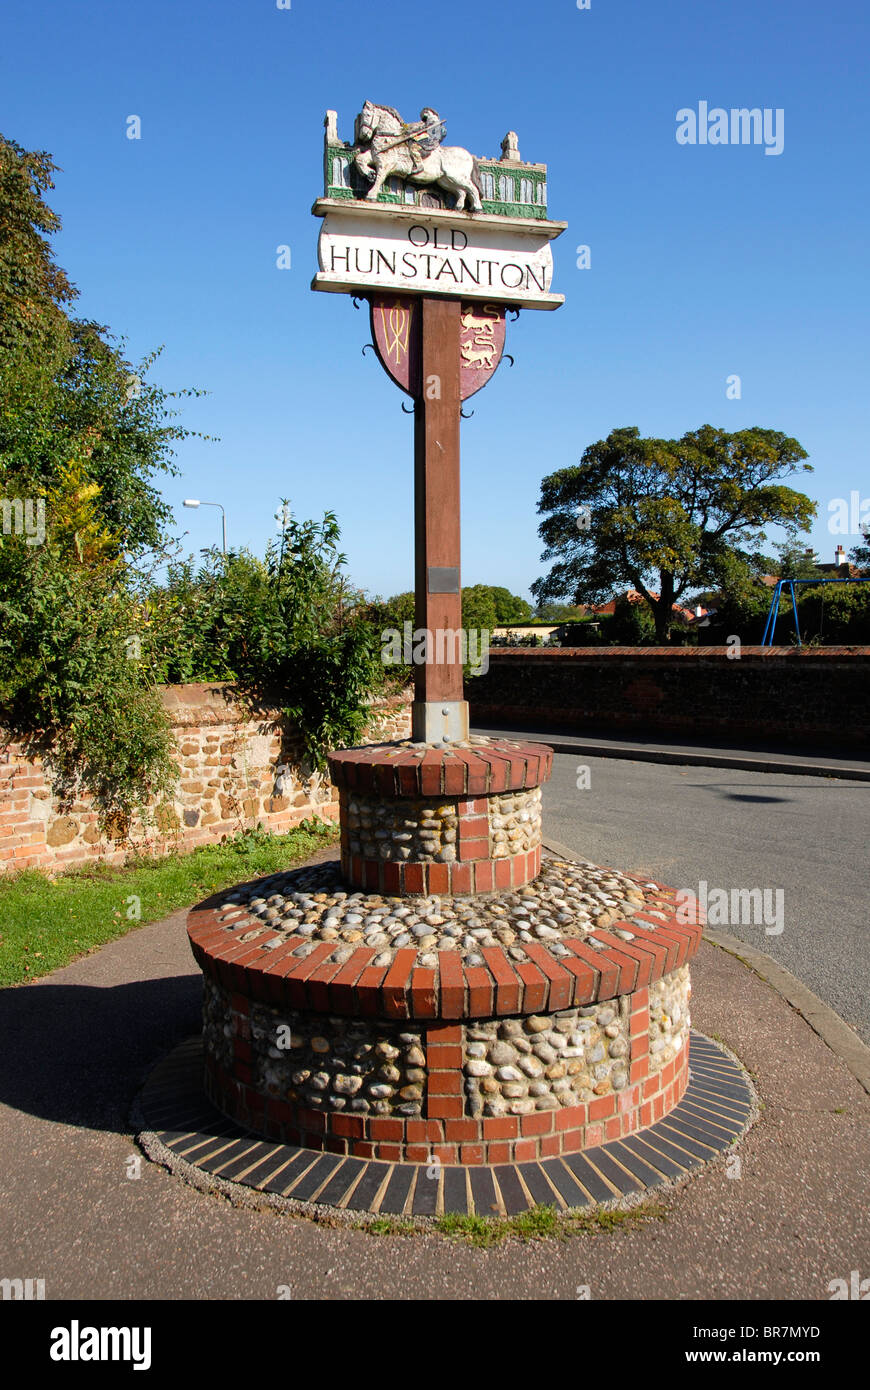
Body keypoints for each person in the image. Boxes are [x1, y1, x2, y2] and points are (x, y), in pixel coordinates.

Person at [406, 108, 445, 175]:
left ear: (433, 113)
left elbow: (437, 133)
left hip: (431, 141)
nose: (426, 113)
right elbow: (421, 129)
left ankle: (419, 165)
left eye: (427, 112)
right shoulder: (427, 123)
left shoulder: (434, 121)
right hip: (428, 138)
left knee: (414, 147)